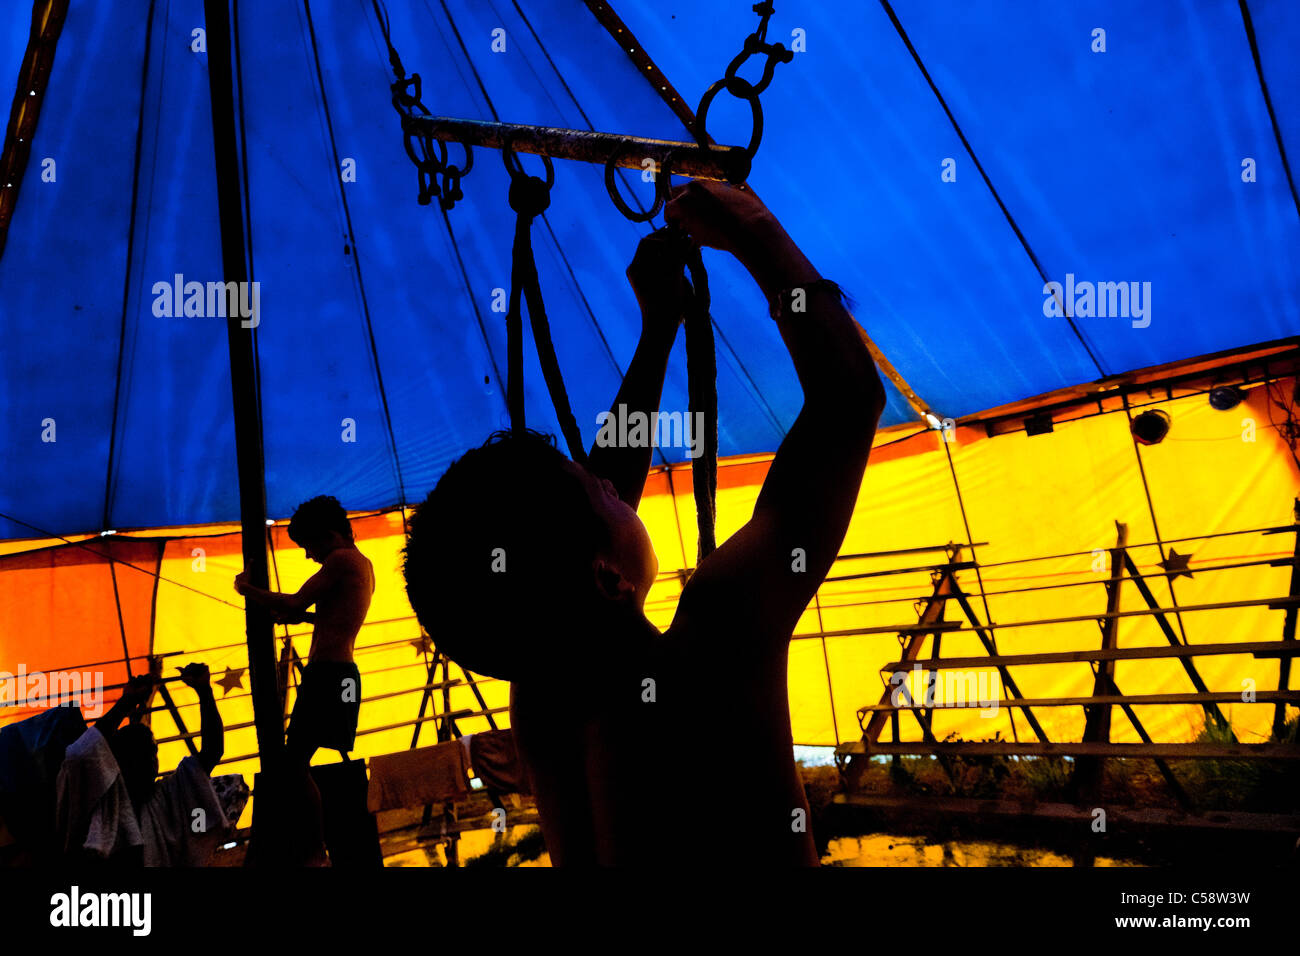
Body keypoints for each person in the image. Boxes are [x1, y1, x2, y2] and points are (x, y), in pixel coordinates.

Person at [403, 180, 886, 865]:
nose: (612, 480)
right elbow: (848, 397)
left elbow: (580, 527)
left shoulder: (543, 700)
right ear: (604, 575)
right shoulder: (712, 641)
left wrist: (659, 330)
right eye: (598, 489)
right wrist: (753, 229)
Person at [235, 495, 374, 865]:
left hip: (327, 675)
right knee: (298, 764)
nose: (309, 556)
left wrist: (247, 589)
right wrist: (304, 620)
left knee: (293, 766)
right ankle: (316, 847)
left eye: (309, 546)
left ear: (328, 535)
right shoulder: (362, 564)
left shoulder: (340, 560)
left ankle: (315, 851)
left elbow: (296, 602)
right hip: (340, 672)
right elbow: (335, 618)